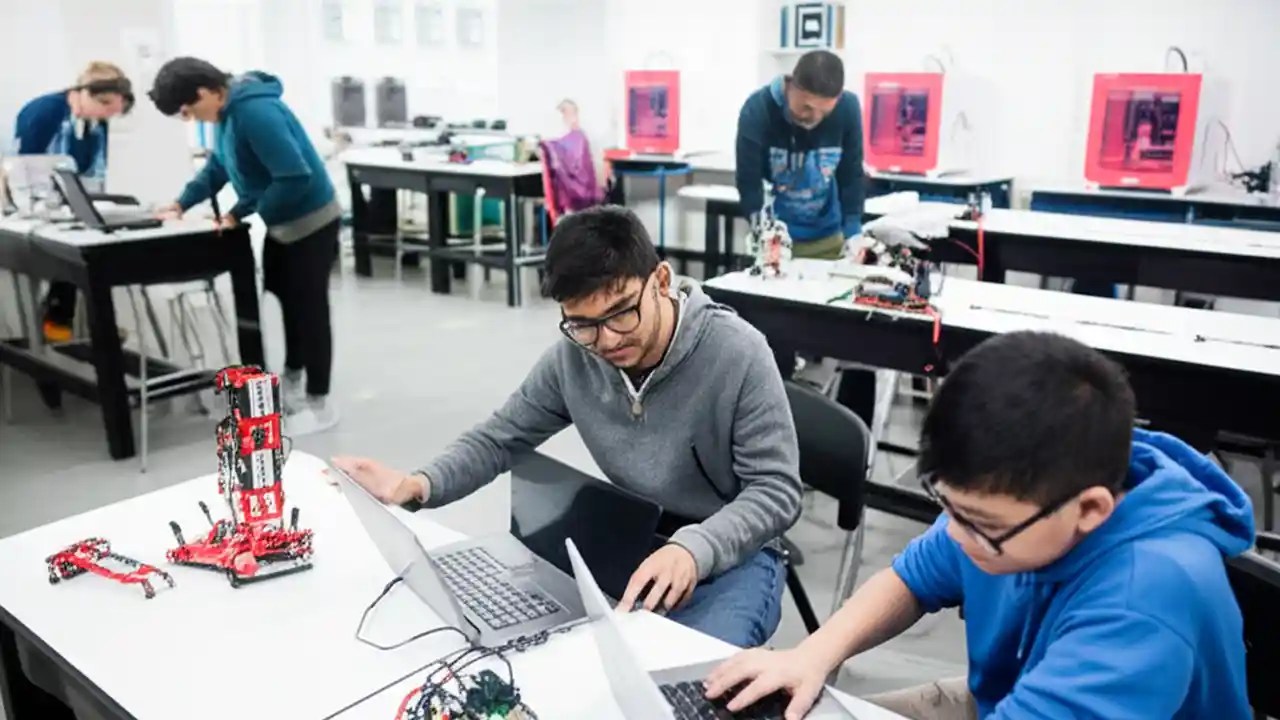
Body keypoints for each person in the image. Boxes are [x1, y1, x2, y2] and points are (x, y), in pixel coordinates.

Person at [704, 331, 1253, 720]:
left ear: (1090, 510)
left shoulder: (1147, 597)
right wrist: (810, 656)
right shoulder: (1022, 498)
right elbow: (913, 579)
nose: (957, 538)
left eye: (982, 526)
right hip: (1003, 697)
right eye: (950, 508)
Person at [333, 205, 803, 648]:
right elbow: (502, 436)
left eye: (622, 312)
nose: (607, 340)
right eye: (583, 324)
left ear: (660, 280)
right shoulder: (575, 356)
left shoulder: (738, 353)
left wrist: (694, 549)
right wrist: (417, 484)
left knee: (691, 682)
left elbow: (776, 490)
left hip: (734, 551)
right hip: (632, 534)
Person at [148, 57, 341, 436]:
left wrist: (238, 213)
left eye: (189, 110)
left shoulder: (255, 112)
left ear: (206, 91)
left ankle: (320, 401)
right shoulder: (224, 116)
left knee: (310, 311)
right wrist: (182, 202)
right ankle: (293, 380)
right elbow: (218, 167)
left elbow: (293, 175)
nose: (191, 119)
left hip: (311, 222)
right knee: (286, 300)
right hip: (282, 223)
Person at [12, 61, 134, 342]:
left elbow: (94, 171)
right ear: (83, 93)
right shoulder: (43, 112)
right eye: (105, 106)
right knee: (70, 251)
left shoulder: (96, 123)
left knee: (99, 245)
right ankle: (60, 319)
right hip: (34, 202)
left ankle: (96, 325)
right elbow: (23, 167)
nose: (108, 115)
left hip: (72, 202)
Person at [735, 49, 864, 262]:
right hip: (777, 242)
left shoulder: (848, 108)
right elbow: (748, 181)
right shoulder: (758, 109)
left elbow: (852, 174)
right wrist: (761, 230)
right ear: (791, 85)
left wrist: (853, 232)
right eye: (807, 107)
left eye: (825, 112)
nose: (814, 118)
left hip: (829, 239)